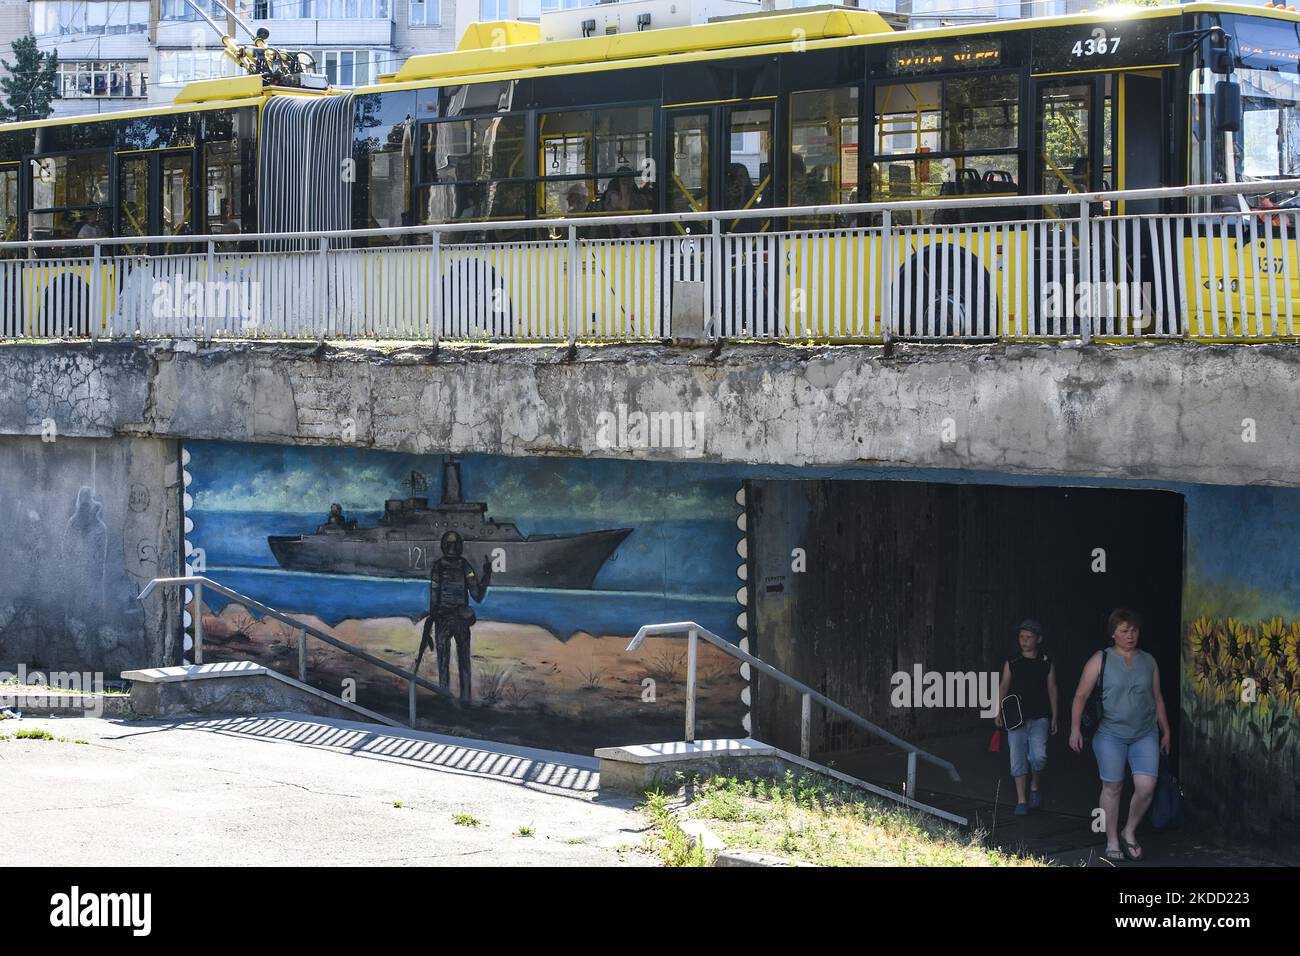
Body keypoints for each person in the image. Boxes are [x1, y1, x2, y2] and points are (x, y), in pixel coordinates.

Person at [1070, 607, 1171, 863]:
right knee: (1112, 787)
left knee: (1146, 787)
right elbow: (1081, 695)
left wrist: (1166, 730)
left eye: (1134, 630)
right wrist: (1075, 729)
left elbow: (1157, 698)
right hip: (1110, 734)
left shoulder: (1149, 661)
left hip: (1144, 732)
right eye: (1124, 631)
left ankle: (1129, 831)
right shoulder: (1100, 659)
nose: (1130, 635)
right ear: (1113, 634)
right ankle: (1112, 839)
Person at [415, 530, 491, 702]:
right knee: (464, 660)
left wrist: (432, 619)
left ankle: (445, 697)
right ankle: (465, 699)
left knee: (443, 661)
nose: (451, 548)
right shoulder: (465, 566)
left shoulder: (438, 567)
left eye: (452, 544)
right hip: (460, 619)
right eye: (450, 544)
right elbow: (477, 595)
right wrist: (487, 575)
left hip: (443, 620)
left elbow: (434, 596)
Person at [996, 619, 1057, 816]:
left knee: (1039, 756)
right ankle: (1021, 800)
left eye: (1029, 637)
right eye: (1021, 637)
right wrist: (998, 711)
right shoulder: (1012, 662)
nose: (1024, 641)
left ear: (1038, 639)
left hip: (1040, 716)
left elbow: (1052, 688)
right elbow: (1004, 685)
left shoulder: (1046, 662)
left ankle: (1035, 785)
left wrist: (1055, 716)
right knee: (1017, 758)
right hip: (1016, 717)